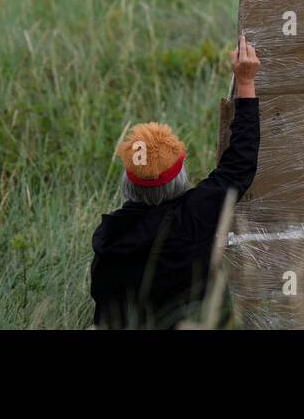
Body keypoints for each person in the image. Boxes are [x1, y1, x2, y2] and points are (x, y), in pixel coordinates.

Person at [90, 35, 261, 328]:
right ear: (180, 177)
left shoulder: (110, 236)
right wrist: (245, 82)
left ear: (128, 183)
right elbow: (239, 166)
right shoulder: (195, 215)